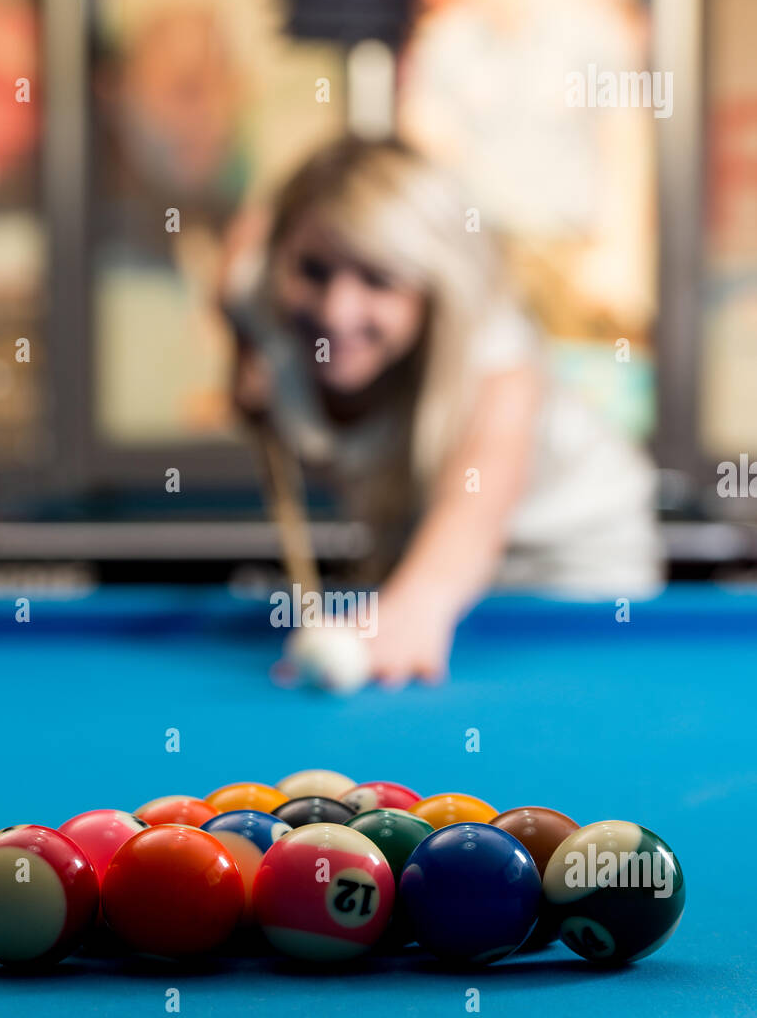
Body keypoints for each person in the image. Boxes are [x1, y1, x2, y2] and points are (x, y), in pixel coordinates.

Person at [225, 136, 662, 688]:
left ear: (433, 284)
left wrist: (421, 599)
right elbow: (237, 287)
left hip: (571, 560)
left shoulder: (491, 341)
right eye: (313, 270)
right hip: (415, 538)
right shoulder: (255, 298)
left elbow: (483, 486)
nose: (337, 311)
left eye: (378, 279)